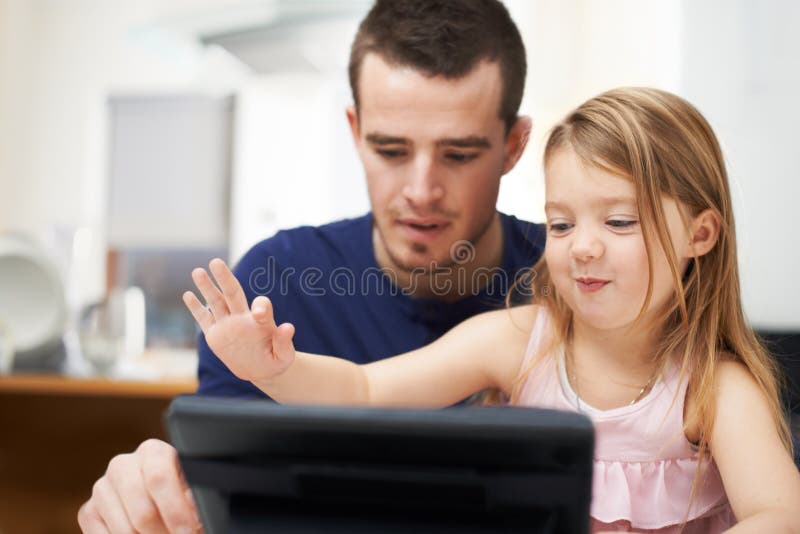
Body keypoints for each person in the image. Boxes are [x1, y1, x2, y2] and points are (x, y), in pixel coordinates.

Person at [181, 88, 800, 532]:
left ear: (701, 235)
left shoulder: (715, 387)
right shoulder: (518, 340)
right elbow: (364, 390)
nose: (582, 246)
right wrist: (275, 369)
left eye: (618, 221)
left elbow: (781, 513)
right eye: (561, 224)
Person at [78, 1, 544, 532]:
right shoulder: (267, 291)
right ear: (355, 130)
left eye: (459, 155)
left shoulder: (581, 283)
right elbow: (225, 504)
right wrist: (151, 498)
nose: (421, 191)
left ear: (513, 146)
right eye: (391, 150)